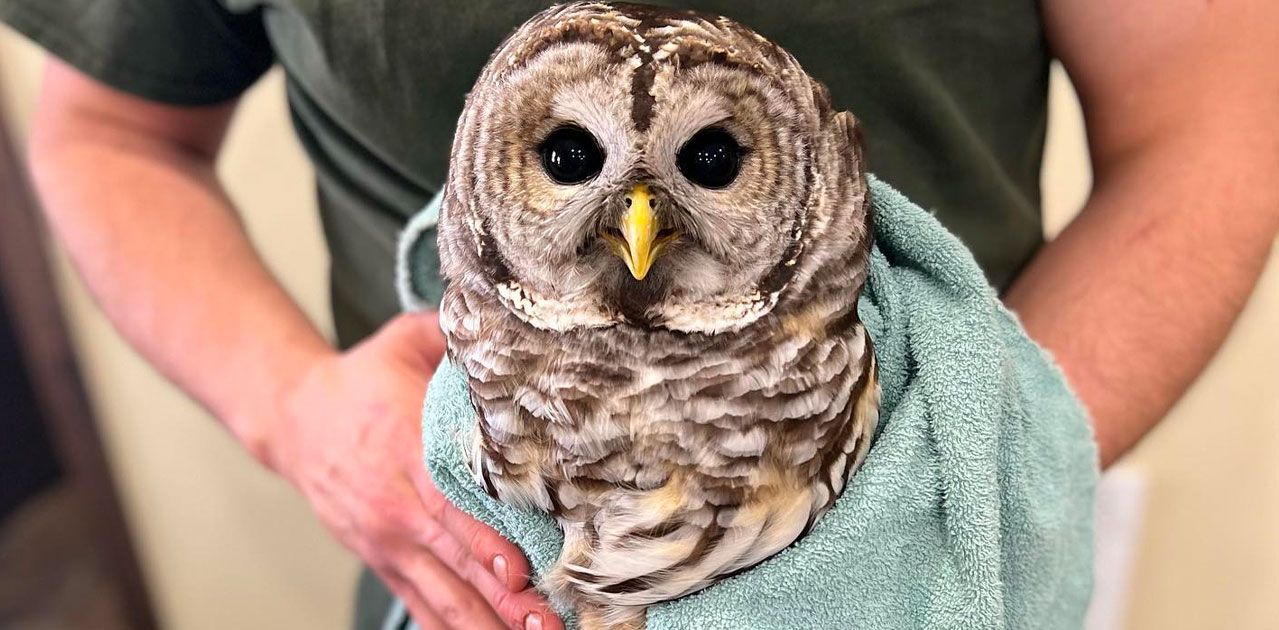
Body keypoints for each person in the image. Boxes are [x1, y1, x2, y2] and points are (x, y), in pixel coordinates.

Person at [2, 1, 1276, 629]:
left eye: (711, 164)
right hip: (460, 561)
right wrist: (293, 407)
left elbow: (1208, 110)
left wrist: (978, 468)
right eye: (565, 159)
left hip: (940, 548)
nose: (639, 225)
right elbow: (109, 130)